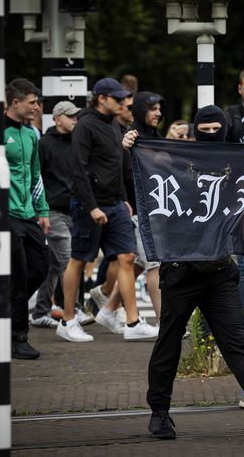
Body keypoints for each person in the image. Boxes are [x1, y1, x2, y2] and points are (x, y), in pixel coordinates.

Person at [125, 105, 244, 439]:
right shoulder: (173, 162)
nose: (210, 135)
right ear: (194, 129)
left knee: (237, 342)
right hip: (180, 271)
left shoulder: (234, 163)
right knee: (169, 342)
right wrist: (131, 144)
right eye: (203, 129)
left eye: (215, 129)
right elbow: (144, 163)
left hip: (220, 272)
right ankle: (160, 413)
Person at [57, 78, 157, 343]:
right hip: (89, 205)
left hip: (115, 204)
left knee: (127, 257)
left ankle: (132, 322)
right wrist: (91, 207)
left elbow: (118, 165)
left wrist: (124, 199)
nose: (124, 102)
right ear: (102, 99)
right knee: (78, 260)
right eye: (118, 98)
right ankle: (67, 321)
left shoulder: (114, 124)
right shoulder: (85, 125)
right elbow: (77, 169)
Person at [3, 79, 50, 359]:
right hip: (4, 214)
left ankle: (5, 307)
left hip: (28, 214)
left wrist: (42, 210)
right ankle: (17, 338)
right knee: (19, 277)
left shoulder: (32, 134)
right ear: (15, 102)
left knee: (40, 267)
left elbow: (35, 175)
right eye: (32, 102)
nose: (36, 107)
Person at [30, 101, 80, 328]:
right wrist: (41, 210)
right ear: (57, 118)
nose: (74, 120)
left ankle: (41, 311)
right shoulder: (45, 144)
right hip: (52, 210)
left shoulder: (77, 143)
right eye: (70, 116)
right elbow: (36, 177)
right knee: (68, 262)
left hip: (74, 209)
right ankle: (74, 310)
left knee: (51, 264)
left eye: (76, 116)